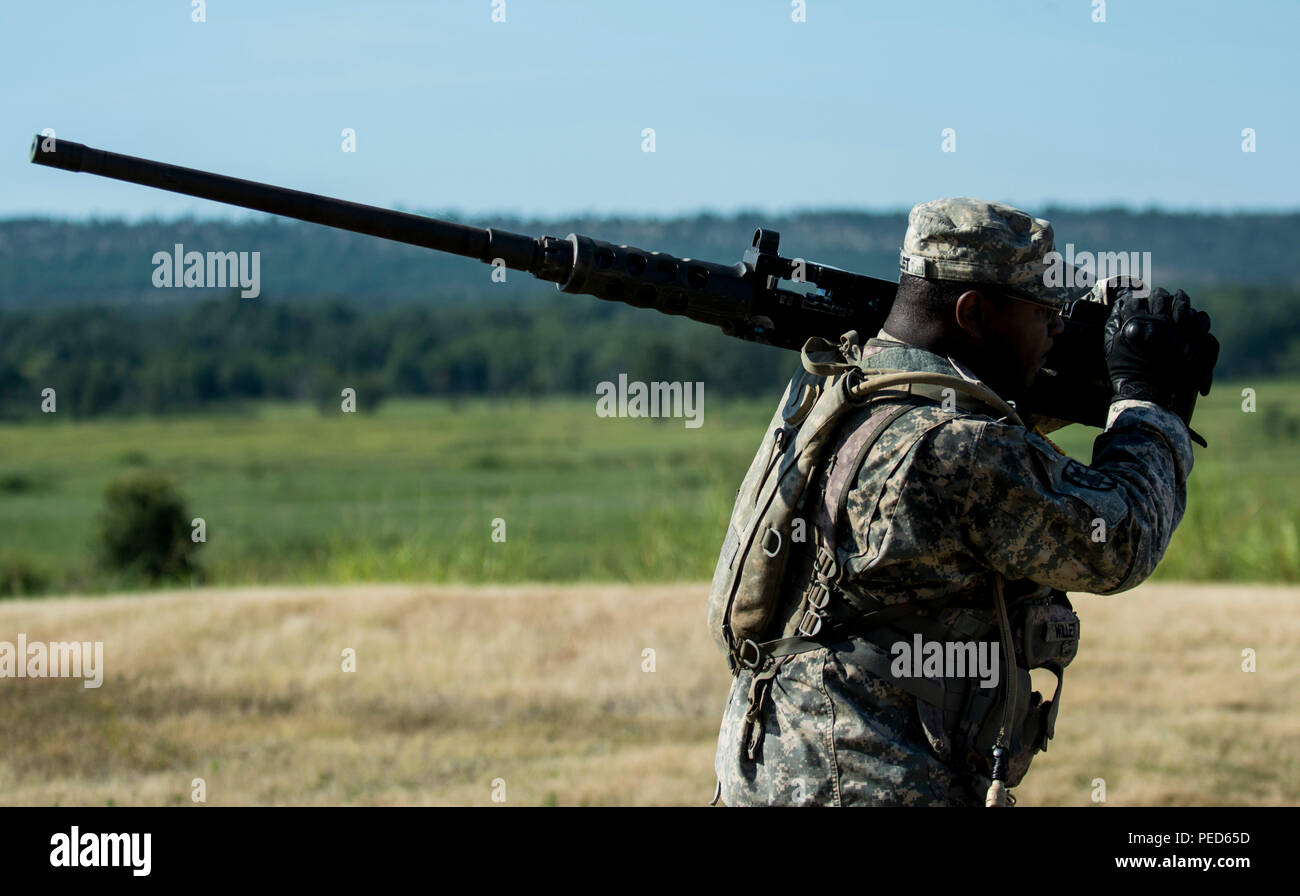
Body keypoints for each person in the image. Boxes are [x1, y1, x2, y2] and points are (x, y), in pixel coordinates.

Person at [712, 197, 1215, 806]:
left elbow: (991, 430)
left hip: (785, 761)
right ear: (973, 313)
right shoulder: (959, 451)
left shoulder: (840, 389)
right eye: (1043, 313)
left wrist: (1084, 334)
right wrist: (1148, 406)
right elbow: (1120, 539)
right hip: (869, 781)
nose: (1055, 328)